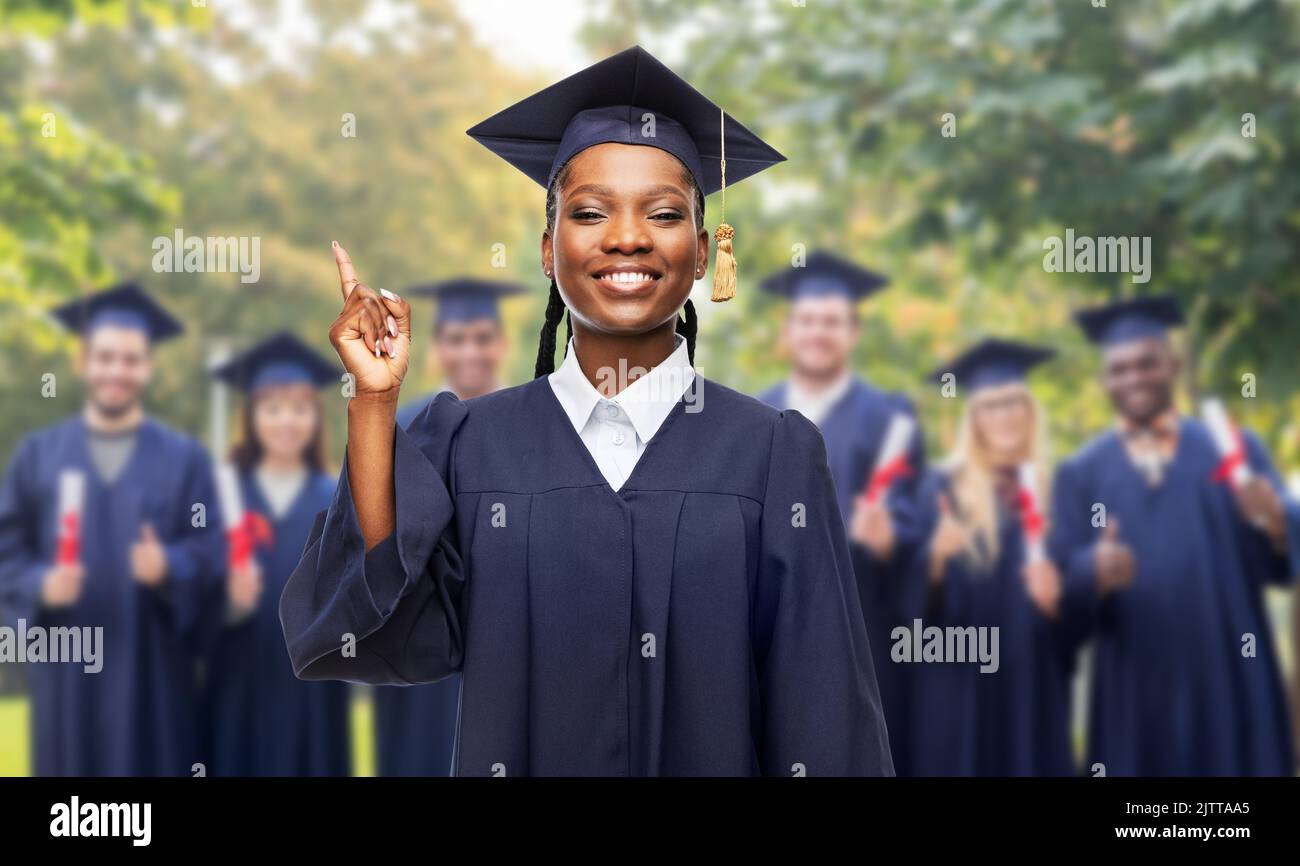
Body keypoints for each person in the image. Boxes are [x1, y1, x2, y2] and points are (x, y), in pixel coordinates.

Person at [280, 46, 893, 776]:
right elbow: (389, 627)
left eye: (663, 214)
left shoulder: (772, 454)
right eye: (591, 211)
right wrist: (376, 403)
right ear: (547, 250)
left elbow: (824, 716)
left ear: (702, 253)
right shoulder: (474, 444)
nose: (627, 236)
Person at [1051, 296, 1300, 775]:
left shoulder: (1233, 450)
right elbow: (1063, 598)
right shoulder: (1081, 473)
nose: (1134, 378)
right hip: (1134, 686)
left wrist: (1275, 520)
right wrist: (1091, 573)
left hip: (1230, 677)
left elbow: (1278, 563)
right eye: (1119, 369)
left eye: (1147, 363)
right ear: (1104, 380)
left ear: (1174, 366)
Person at [0, 282, 226, 775]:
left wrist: (171, 566)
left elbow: (213, 555)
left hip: (155, 684)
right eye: (105, 358)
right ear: (83, 362)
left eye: (130, 359)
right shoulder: (38, 458)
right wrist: (40, 584)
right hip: (66, 686)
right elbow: (5, 555)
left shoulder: (185, 460)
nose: (116, 371)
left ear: (147, 366)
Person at [757, 252, 925, 773]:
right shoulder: (758, 416)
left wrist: (890, 534)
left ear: (852, 333)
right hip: (772, 615)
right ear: (788, 331)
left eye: (832, 322)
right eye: (807, 321)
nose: (818, 333)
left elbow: (915, 511)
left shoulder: (889, 416)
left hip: (865, 619)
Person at [903, 339, 1074, 776]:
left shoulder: (1056, 491)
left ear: (1030, 411)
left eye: (1014, 403)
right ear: (974, 418)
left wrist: (1059, 602)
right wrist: (936, 560)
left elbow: (1079, 611)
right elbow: (912, 613)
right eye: (991, 406)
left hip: (1034, 684)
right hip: (963, 685)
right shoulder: (942, 487)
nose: (1004, 416)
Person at [377, 278, 524, 777]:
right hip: (427, 634)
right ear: (437, 347)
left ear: (503, 343)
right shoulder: (407, 427)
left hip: (512, 637)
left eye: (483, 337)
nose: (470, 352)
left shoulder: (535, 424)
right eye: (456, 339)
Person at [201, 332, 351, 776]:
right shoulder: (221, 496)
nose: (287, 421)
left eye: (300, 409)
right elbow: (191, 600)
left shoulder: (338, 496)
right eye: (273, 408)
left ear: (315, 418)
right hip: (237, 680)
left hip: (312, 686)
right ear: (252, 416)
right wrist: (227, 603)